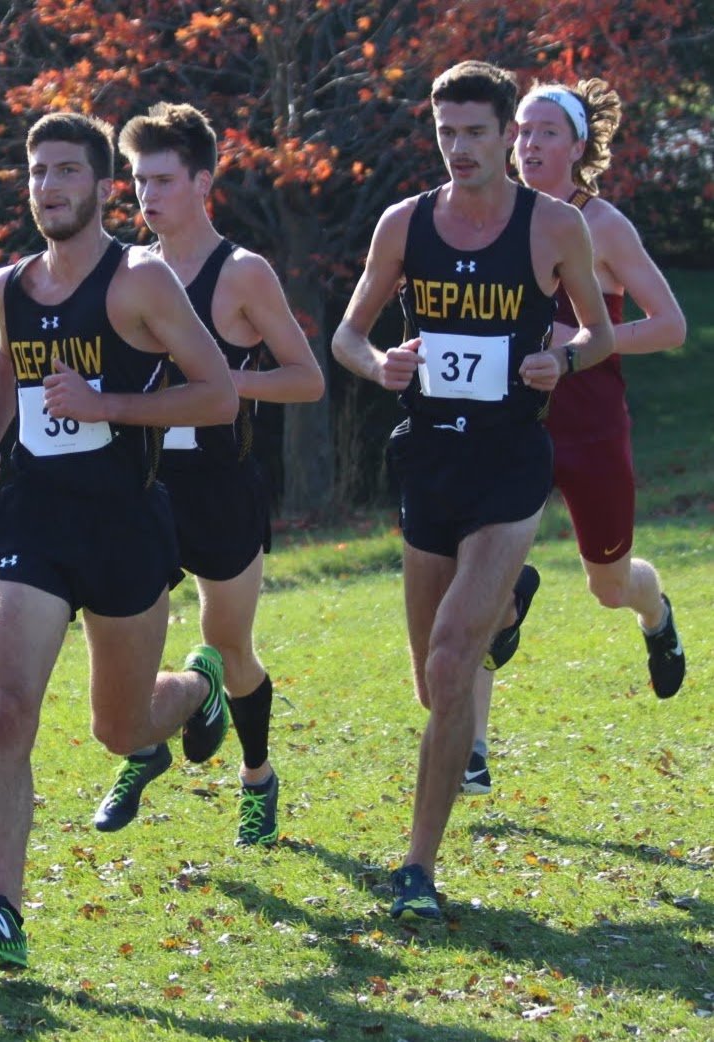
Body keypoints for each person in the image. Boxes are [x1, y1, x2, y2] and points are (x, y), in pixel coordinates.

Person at [0, 112, 237, 970]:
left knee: (120, 728)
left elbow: (217, 394)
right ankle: (4, 912)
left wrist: (111, 408)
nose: (48, 188)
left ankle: (196, 691)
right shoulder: (10, 287)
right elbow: (9, 357)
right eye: (37, 173)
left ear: (105, 188)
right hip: (34, 517)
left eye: (66, 172)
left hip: (125, 525)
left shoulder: (139, 281)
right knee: (7, 703)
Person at [330, 61, 614, 921]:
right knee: (432, 684)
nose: (460, 148)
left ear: (506, 137)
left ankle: (416, 868)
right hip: (429, 460)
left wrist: (559, 358)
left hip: (508, 466)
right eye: (446, 133)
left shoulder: (554, 226)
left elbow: (601, 333)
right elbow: (346, 334)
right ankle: (509, 606)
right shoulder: (405, 225)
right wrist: (381, 362)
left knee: (455, 659)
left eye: (476, 133)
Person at [90, 102, 325, 847]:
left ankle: (257, 776)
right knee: (130, 643)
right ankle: (142, 744)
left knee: (228, 651)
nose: (146, 197)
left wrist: (222, 384)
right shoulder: (127, 272)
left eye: (162, 180)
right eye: (136, 182)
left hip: (222, 486)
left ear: (202, 182)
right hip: (144, 486)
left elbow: (308, 379)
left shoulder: (243, 274)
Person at [463, 78, 689, 795]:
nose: (529, 145)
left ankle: (657, 615)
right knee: (478, 586)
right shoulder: (490, 217)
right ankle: (471, 751)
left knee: (609, 585)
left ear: (578, 146)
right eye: (521, 131)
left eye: (545, 133)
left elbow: (671, 325)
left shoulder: (604, 226)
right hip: (506, 425)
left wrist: (577, 343)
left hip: (588, 424)